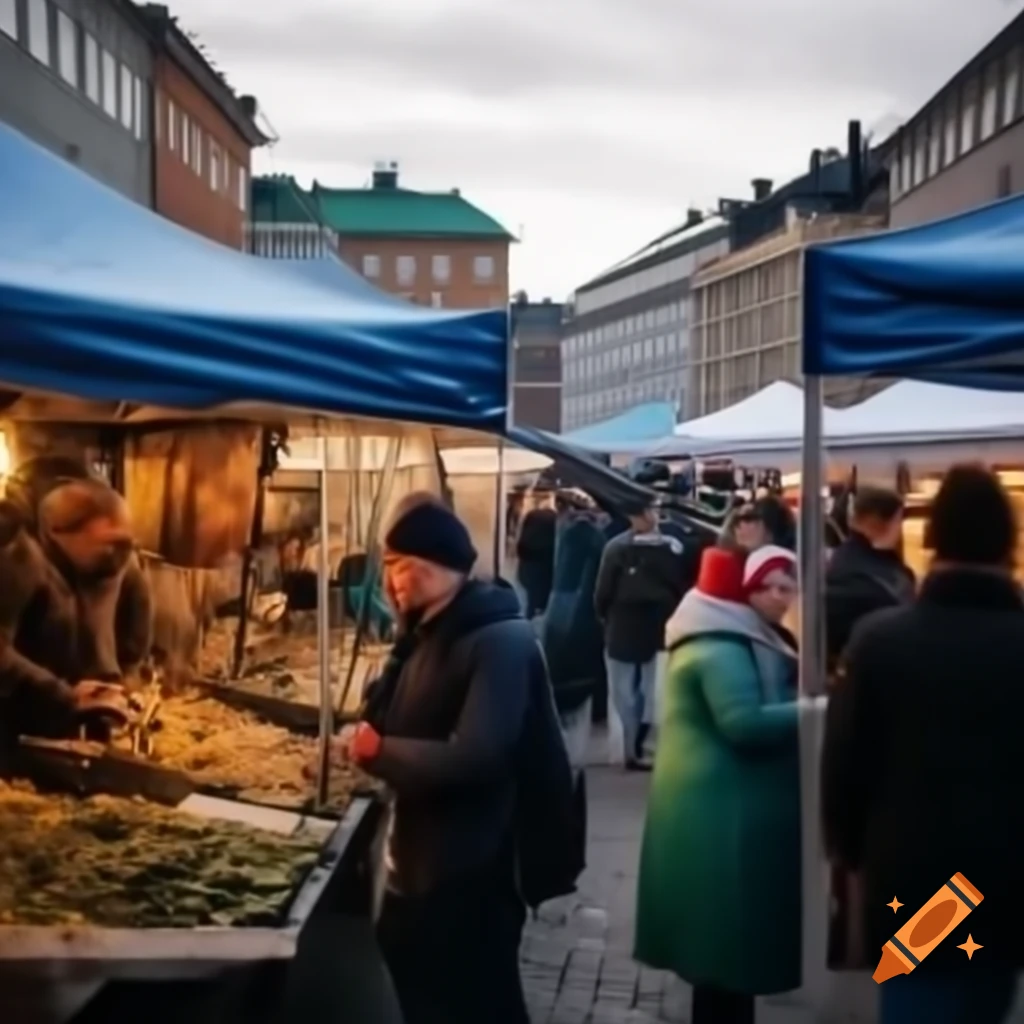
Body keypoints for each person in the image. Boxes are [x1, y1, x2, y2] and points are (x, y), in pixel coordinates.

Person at [333, 500, 572, 1024]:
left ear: (434, 565)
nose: (391, 580)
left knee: (476, 1000)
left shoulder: (499, 640)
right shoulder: (428, 632)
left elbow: (479, 755)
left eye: (398, 565)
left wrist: (380, 751)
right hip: (422, 860)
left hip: (475, 867)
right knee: (417, 980)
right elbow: (395, 715)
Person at [822, 465, 1024, 1024]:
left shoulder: (883, 643)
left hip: (917, 882)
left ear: (933, 539)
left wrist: (851, 862)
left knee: (918, 1002)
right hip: (1008, 882)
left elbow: (843, 777)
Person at [635, 545, 801, 1024]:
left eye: (788, 588)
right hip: (723, 825)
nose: (782, 598)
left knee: (721, 958)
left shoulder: (724, 637)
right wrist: (818, 710)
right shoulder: (721, 645)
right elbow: (743, 721)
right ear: (742, 592)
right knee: (724, 954)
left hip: (711, 816)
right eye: (772, 588)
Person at [0, 474, 150, 746]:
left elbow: (136, 615)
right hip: (24, 717)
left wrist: (129, 671)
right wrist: (59, 692)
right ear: (58, 532)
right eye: (108, 543)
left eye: (125, 543)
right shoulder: (21, 561)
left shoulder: (119, 563)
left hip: (96, 705)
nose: (118, 553)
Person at [594, 500, 686, 770]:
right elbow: (679, 585)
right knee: (650, 690)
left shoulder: (616, 548)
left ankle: (631, 746)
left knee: (625, 691)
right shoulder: (673, 546)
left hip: (623, 624)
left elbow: (602, 592)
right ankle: (643, 746)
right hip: (658, 625)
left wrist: (604, 616)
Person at [825, 485, 915, 668]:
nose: (899, 531)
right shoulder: (879, 580)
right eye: (898, 521)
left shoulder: (840, 562)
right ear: (877, 522)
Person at [515, 500, 557, 618]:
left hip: (529, 563)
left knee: (529, 598)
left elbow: (521, 545)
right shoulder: (552, 521)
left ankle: (528, 617)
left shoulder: (532, 519)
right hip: (545, 565)